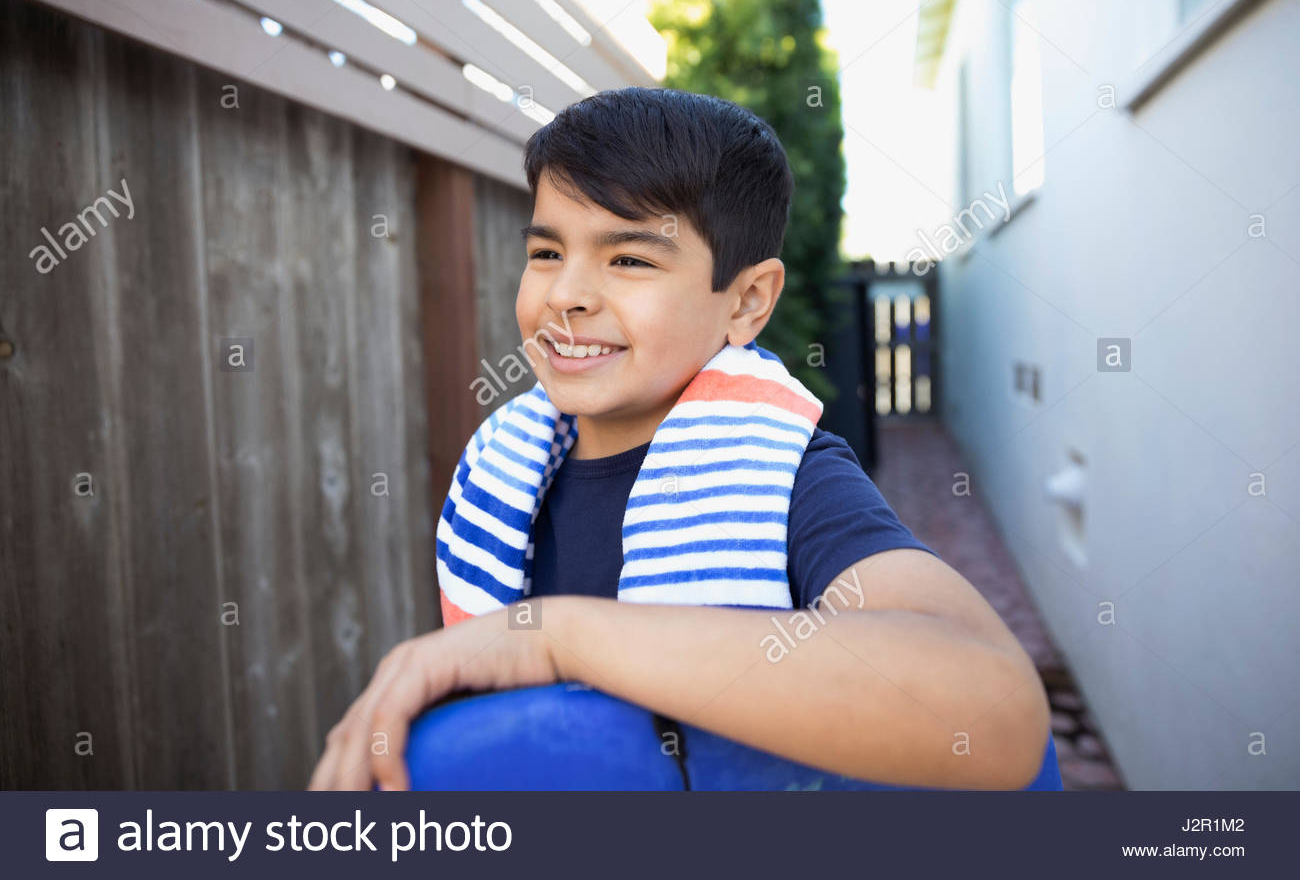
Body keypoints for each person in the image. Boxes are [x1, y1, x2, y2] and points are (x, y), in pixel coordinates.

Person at [307, 87, 1050, 791]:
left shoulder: (785, 476)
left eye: (629, 259)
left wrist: (555, 636)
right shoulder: (503, 477)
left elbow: (996, 709)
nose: (567, 294)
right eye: (546, 253)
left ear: (748, 301)